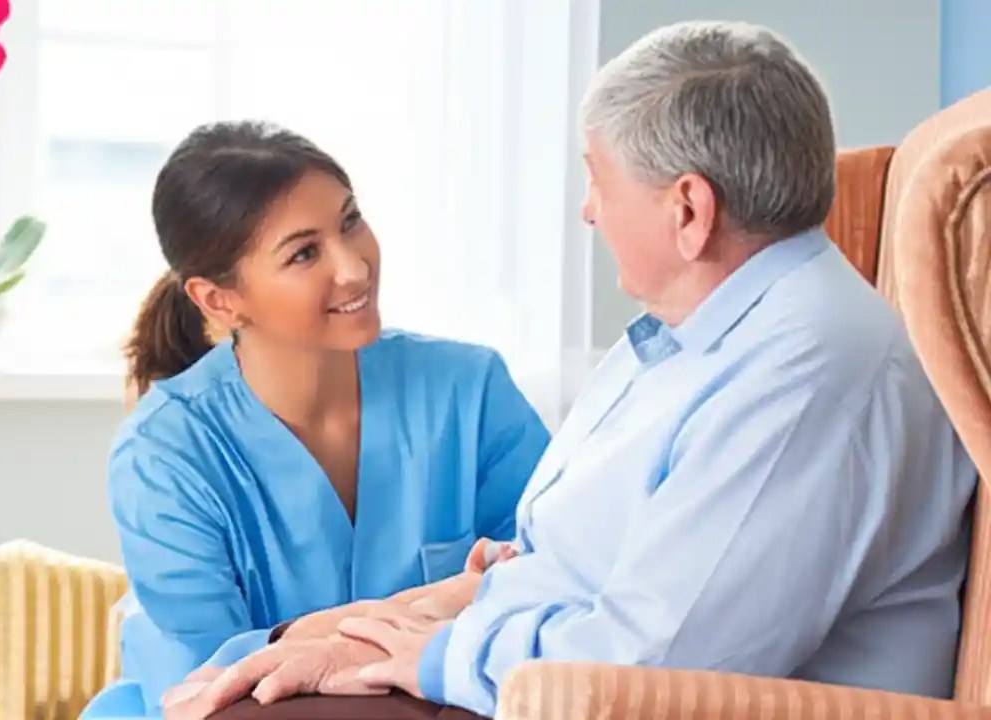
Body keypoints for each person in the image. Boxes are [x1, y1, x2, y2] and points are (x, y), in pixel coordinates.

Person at [165, 20, 978, 720]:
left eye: (599, 179)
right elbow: (563, 558)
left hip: (567, 694)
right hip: (515, 671)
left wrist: (443, 650)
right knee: (238, 690)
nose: (589, 210)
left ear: (688, 211)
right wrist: (441, 607)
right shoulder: (688, 339)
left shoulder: (809, 376)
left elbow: (648, 666)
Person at [81, 121, 552, 718]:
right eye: (304, 252)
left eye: (350, 221)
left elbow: (556, 577)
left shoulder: (469, 389)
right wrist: (435, 604)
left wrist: (334, 631)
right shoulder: (164, 453)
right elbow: (199, 684)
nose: (353, 267)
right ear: (219, 300)